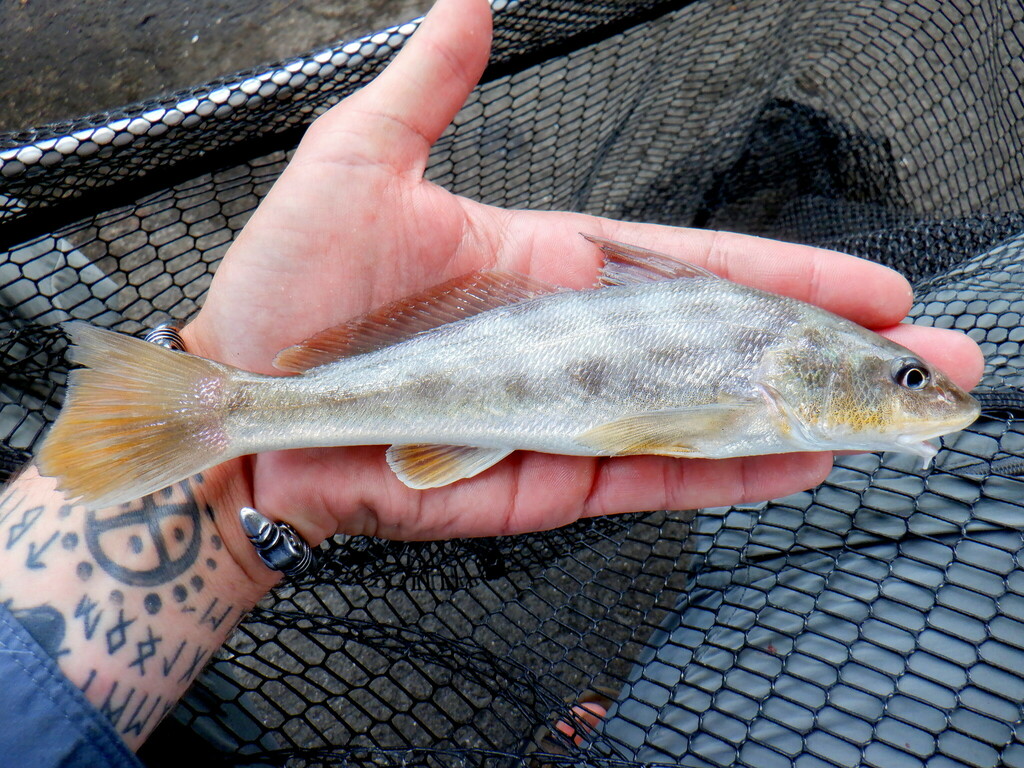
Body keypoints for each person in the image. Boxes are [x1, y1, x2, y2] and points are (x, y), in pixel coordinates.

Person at [0, 0, 982, 763]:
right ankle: (216, 417)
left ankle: (216, 420)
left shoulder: (780, 379)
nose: (916, 396)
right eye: (901, 379)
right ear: (814, 372)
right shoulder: (772, 378)